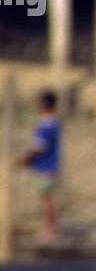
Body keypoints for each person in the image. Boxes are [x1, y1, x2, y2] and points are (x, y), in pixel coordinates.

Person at [17, 90, 61, 241]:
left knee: (47, 199)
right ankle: (49, 227)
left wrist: (25, 157)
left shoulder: (47, 124)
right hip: (46, 166)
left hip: (46, 167)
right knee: (46, 198)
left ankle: (50, 229)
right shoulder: (51, 123)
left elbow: (40, 146)